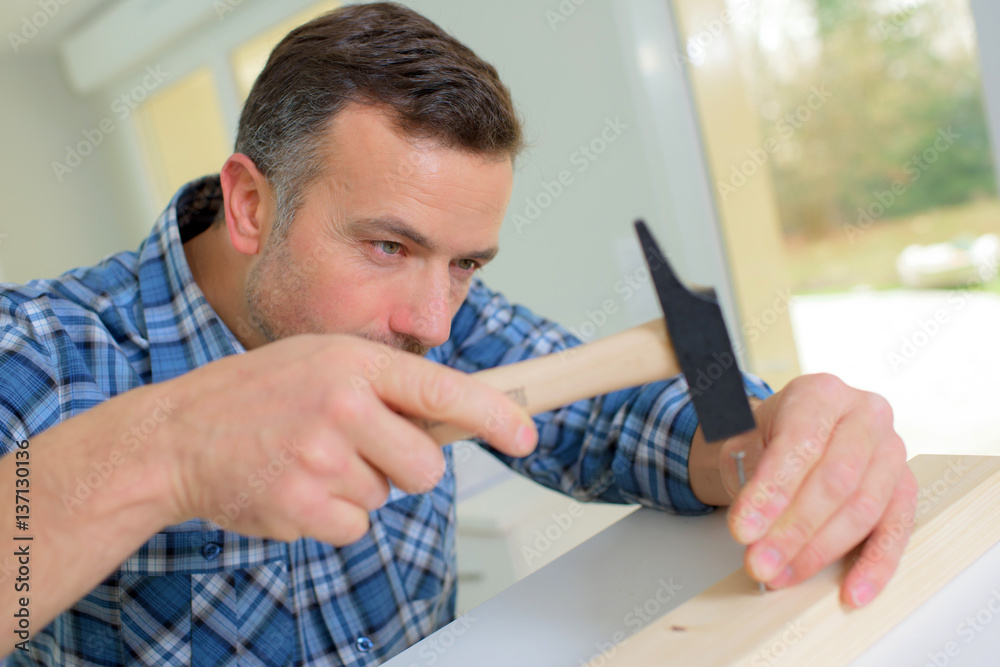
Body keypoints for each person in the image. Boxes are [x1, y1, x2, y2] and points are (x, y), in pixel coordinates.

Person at [0, 3, 915, 664]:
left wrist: (774, 443)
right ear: (248, 203)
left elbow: (607, 420)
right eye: (387, 245)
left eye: (466, 261)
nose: (433, 321)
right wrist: (172, 454)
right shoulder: (45, 348)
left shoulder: (435, 313)